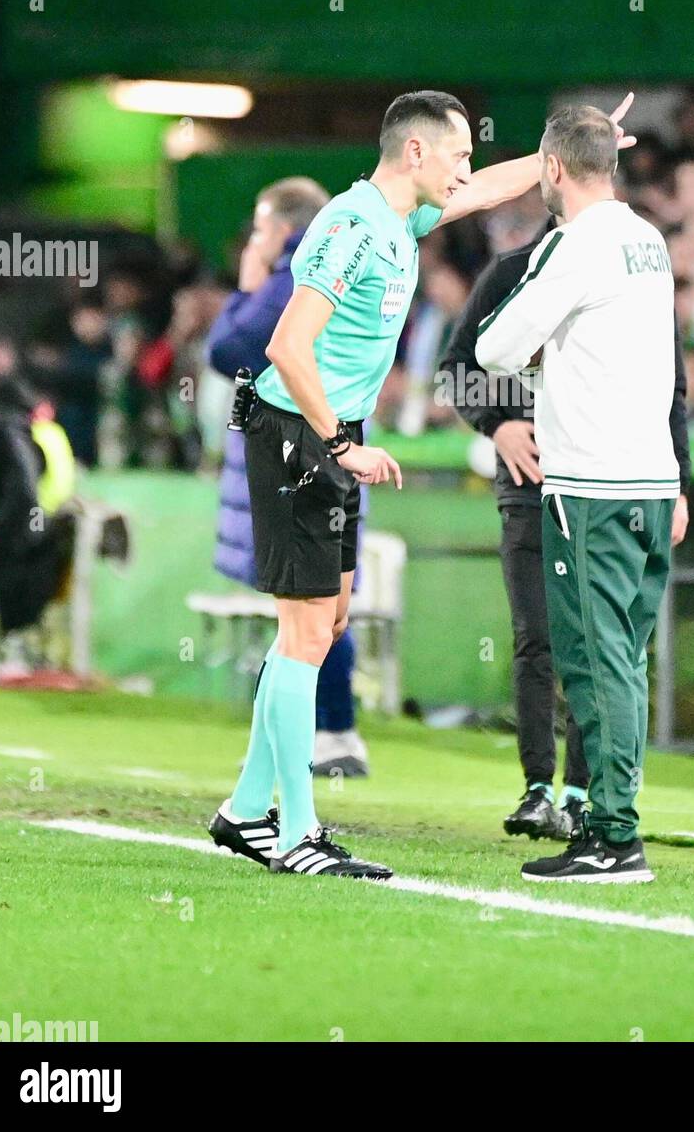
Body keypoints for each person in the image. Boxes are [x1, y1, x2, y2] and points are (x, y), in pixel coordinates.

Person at [208, 88, 637, 879]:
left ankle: (243, 809)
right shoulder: (349, 226)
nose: (466, 169)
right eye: (458, 153)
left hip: (334, 435)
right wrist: (340, 443)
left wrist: (565, 155)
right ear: (415, 154)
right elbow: (286, 347)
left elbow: (481, 192)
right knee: (305, 634)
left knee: (324, 624)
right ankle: (296, 831)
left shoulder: (400, 218)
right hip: (300, 434)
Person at [476, 104, 688, 884]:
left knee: (596, 667)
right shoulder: (648, 239)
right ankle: (614, 822)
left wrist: (538, 361)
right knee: (623, 661)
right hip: (652, 484)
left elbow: (494, 345)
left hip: (592, 488)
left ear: (553, 170)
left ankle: (613, 834)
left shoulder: (575, 244)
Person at [206, 177, 371, 778]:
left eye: (259, 227)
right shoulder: (349, 256)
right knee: (314, 613)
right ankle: (289, 759)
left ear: (279, 227)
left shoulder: (295, 273)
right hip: (324, 447)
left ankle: (326, 736)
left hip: (304, 452)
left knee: (313, 613)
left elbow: (235, 350)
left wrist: (246, 288)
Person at [0, 374, 76, 642]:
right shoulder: (38, 434)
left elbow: (23, 499)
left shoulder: (8, 435)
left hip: (20, 550)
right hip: (31, 541)